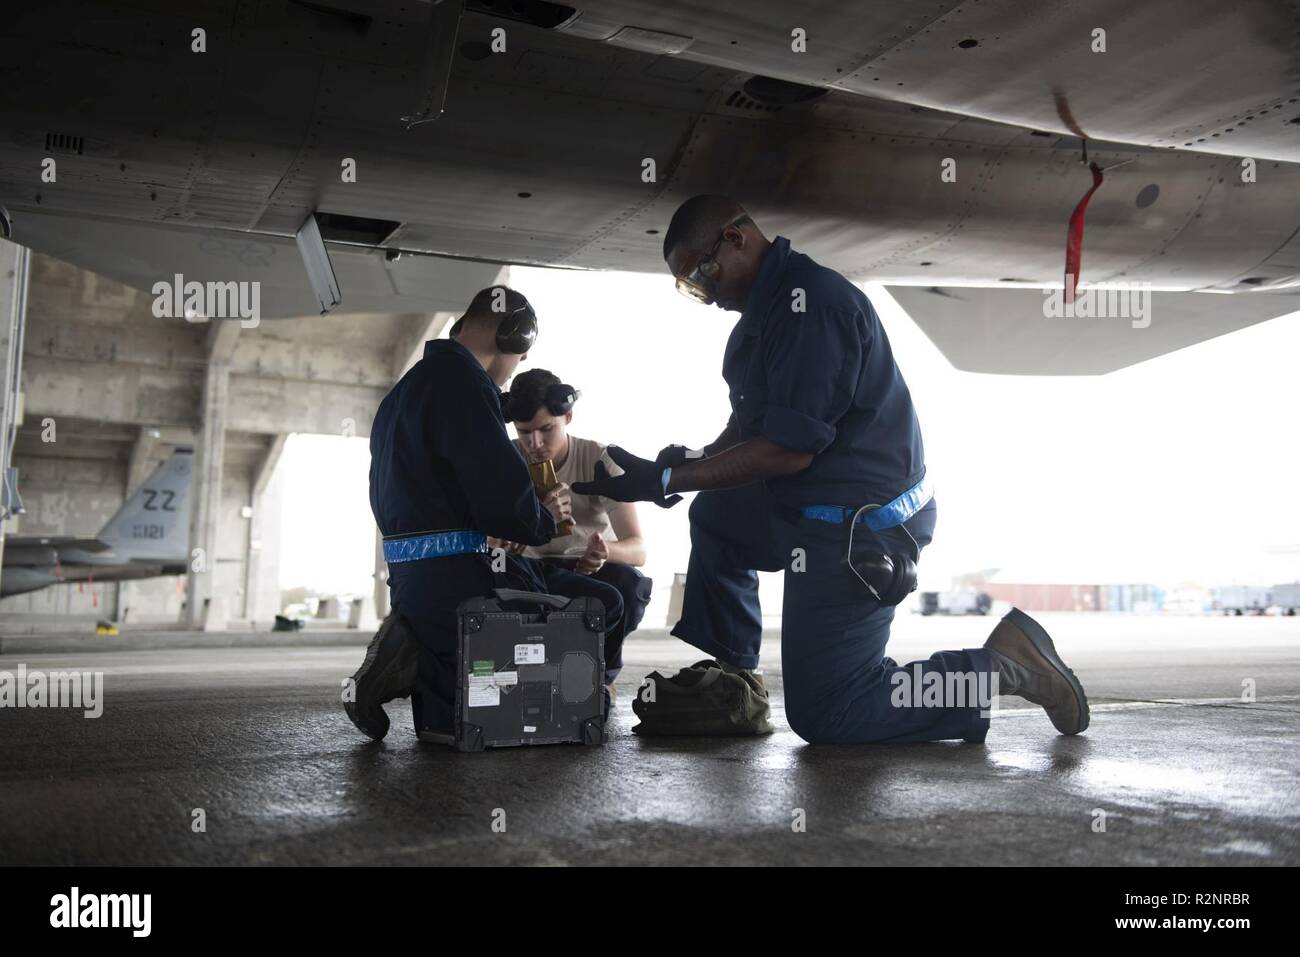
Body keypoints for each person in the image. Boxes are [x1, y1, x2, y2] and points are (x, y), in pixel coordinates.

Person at [574, 195, 1089, 744]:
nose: (707, 294)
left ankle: (999, 667)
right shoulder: (761, 322)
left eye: (704, 275)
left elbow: (788, 450)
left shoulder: (815, 306)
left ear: (737, 238)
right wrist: (680, 465)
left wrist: (669, 482)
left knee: (830, 713)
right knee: (719, 513)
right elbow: (749, 430)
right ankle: (737, 675)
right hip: (805, 508)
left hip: (859, 528)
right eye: (692, 289)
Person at [349, 286, 610, 741]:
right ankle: (414, 650)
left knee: (447, 721)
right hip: (463, 577)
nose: (519, 365)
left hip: (411, 577)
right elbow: (501, 498)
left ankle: (416, 648)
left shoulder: (404, 391)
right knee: (579, 615)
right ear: (514, 336)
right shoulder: (466, 386)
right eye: (522, 352)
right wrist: (543, 515)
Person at [501, 369, 653, 687]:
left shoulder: (598, 459)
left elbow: (637, 548)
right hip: (533, 568)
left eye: (546, 429)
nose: (535, 444)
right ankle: (536, 676)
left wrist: (604, 551)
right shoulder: (506, 461)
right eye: (524, 432)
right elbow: (490, 542)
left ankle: (601, 681)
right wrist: (533, 517)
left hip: (587, 567)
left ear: (568, 415)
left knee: (631, 587)